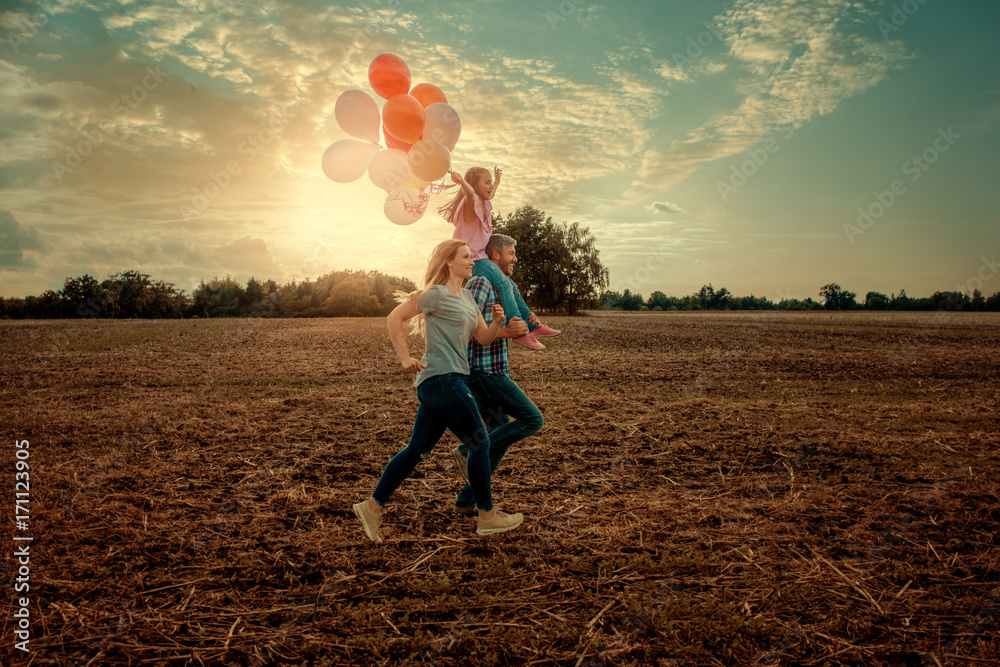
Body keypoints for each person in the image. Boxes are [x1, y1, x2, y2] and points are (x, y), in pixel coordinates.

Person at [352, 239, 524, 542]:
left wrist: (497, 322)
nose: (472, 261)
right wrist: (405, 357)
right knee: (480, 442)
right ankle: (486, 516)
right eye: (466, 257)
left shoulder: (469, 298)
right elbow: (395, 317)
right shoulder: (436, 295)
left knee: (416, 449)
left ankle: (372, 507)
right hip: (442, 380)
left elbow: (483, 339)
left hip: (445, 382)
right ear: (449, 262)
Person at [450, 234, 545, 516]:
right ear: (495, 255)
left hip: (490, 370)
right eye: (511, 253)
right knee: (532, 419)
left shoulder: (500, 286)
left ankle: (467, 500)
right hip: (483, 372)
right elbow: (464, 330)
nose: (515, 258)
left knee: (498, 427)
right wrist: (506, 332)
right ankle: (468, 451)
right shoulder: (480, 282)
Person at [437, 166, 561, 350]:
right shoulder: (470, 205)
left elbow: (490, 193)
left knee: (511, 285)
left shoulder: (484, 206)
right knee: (504, 284)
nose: (491, 187)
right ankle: (518, 329)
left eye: (490, 183)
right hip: (475, 261)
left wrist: (497, 180)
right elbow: (471, 193)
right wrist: (462, 181)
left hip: (480, 258)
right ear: (474, 185)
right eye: (486, 183)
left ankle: (533, 326)